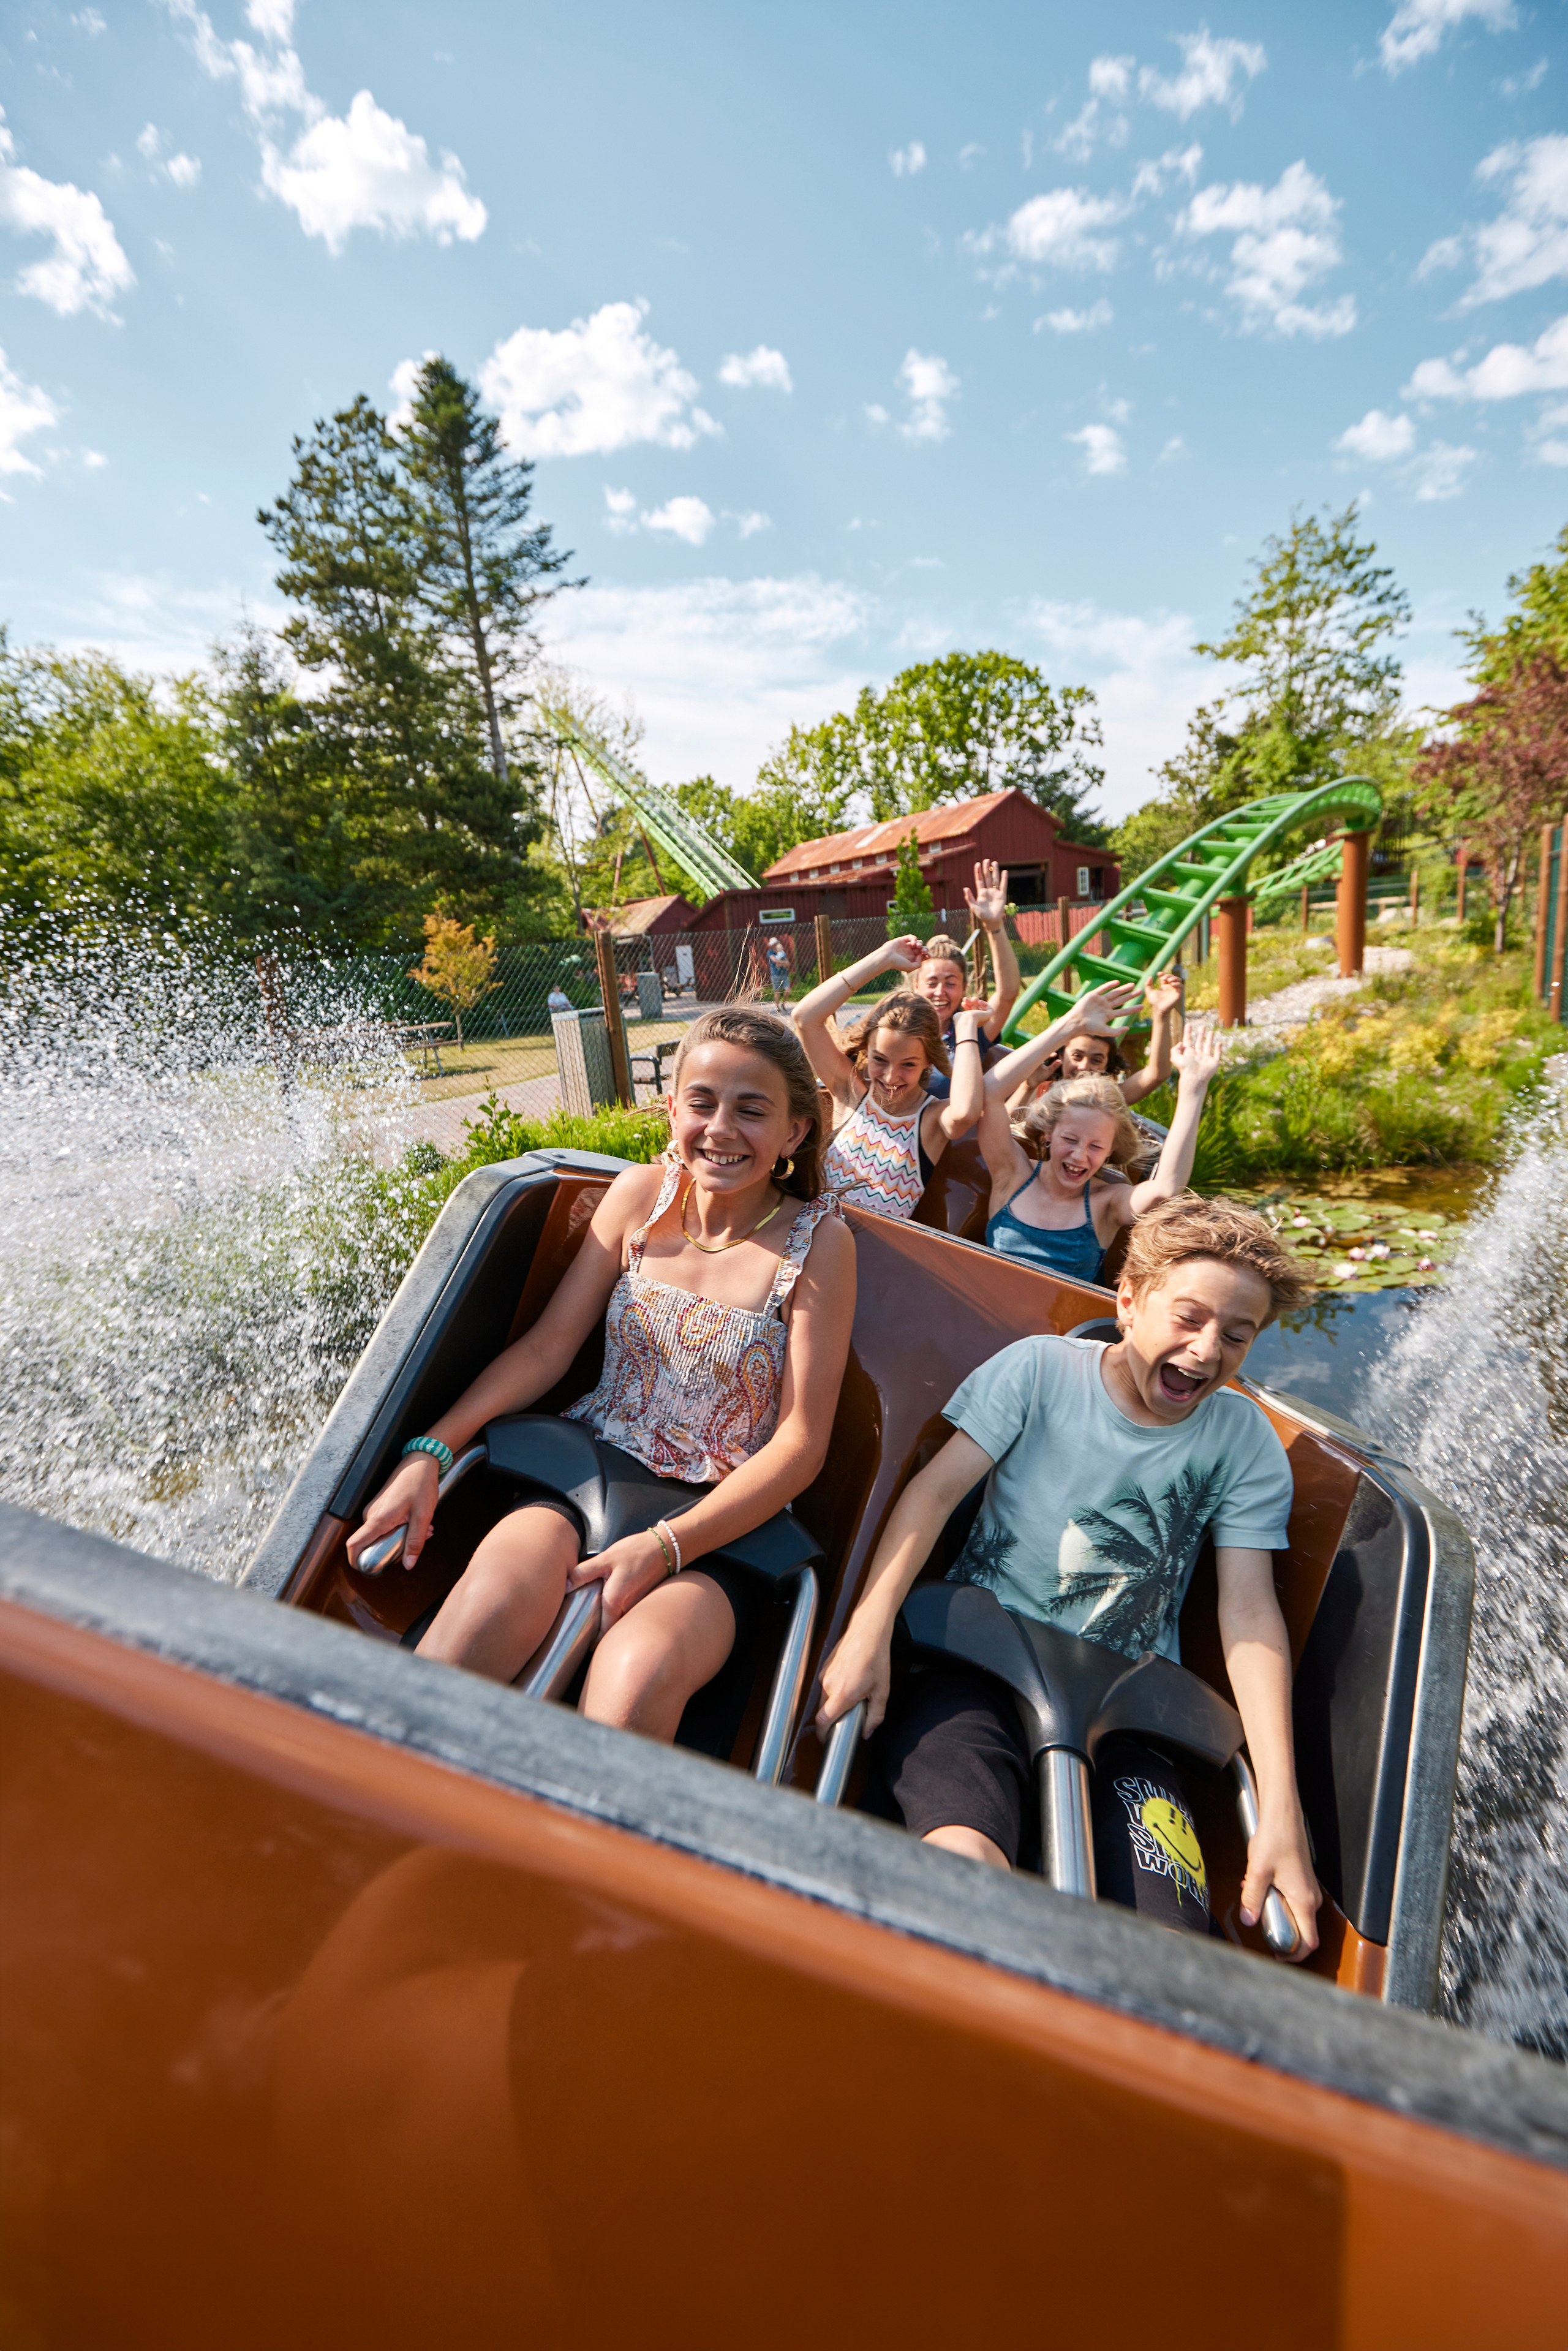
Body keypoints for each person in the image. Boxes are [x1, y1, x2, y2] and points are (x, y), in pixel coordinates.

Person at [815, 1194, 1320, 1953]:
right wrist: (869, 1629)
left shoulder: (1242, 1440)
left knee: (1164, 1945)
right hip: (975, 1672)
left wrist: (1282, 1809)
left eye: (1236, 1335)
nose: (1206, 1349)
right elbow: (933, 1492)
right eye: (1188, 1318)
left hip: (1130, 1718)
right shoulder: (1039, 1370)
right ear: (1128, 1301)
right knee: (962, 1864)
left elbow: (1249, 1615)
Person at [347, 1008, 856, 1744]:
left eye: (752, 1110)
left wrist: (667, 1545)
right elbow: (545, 1351)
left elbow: (800, 1443)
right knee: (489, 1606)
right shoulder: (638, 1198)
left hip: (717, 1523)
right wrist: (431, 1451)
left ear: (794, 1132)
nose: (720, 1129)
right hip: (588, 1474)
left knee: (636, 1674)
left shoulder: (819, 1243)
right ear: (672, 1109)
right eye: (703, 1102)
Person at [973, 1023, 1224, 1284]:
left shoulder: (1107, 1203)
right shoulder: (1013, 1173)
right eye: (1070, 1140)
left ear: (1110, 1151)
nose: (1079, 1156)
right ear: (1049, 1134)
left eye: (1095, 1147)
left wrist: (1194, 1087)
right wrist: (1070, 1024)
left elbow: (1166, 1188)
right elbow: (990, 1094)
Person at [794, 938, 985, 1218]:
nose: (891, 1076)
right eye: (880, 1060)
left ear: (929, 1061)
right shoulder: (851, 1094)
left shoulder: (930, 1119)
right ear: (866, 1050)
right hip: (811, 1236)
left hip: (875, 1246)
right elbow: (805, 1018)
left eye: (908, 1064)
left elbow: (967, 1112)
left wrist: (967, 1025)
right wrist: (882, 959)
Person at [913, 861, 1020, 1099]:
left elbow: (1008, 993)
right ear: (916, 986)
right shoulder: (901, 1028)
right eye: (932, 983)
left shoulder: (971, 1030)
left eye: (951, 983)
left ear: (963, 989)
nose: (940, 991)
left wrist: (994, 925)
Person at [1022, 969, 1185, 1109]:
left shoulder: (1108, 1100)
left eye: (1096, 1060)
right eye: (1077, 1056)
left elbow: (1157, 1073)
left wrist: (1161, 1014)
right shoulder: (1040, 1091)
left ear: (1107, 1066)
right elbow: (1012, 1122)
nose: (1084, 1067)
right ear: (1062, 1056)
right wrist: (1028, 1087)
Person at [764, 934, 791, 1009]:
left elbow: (787, 963)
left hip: (784, 974)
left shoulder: (782, 952)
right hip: (775, 974)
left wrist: (782, 963)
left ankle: (783, 1003)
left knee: (787, 990)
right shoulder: (770, 952)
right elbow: (774, 960)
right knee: (777, 991)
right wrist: (783, 963)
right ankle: (777, 1006)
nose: (775, 945)